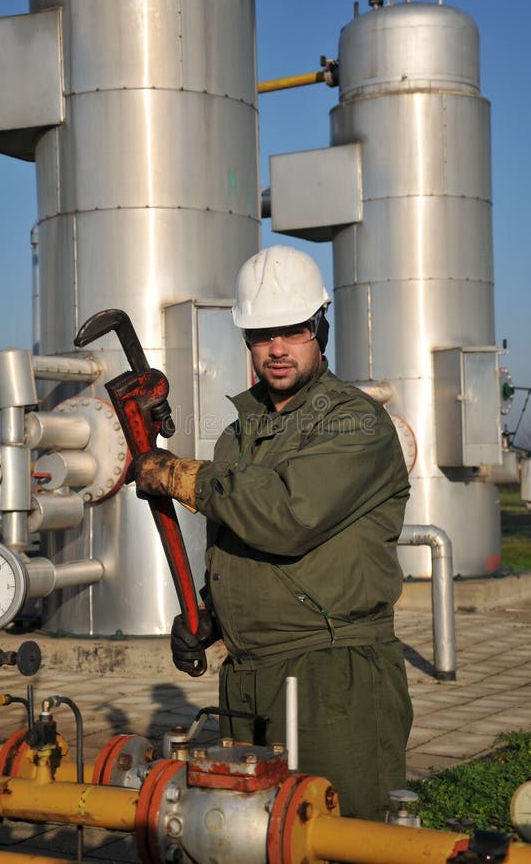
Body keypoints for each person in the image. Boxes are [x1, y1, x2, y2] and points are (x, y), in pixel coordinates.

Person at [133, 245, 412, 820]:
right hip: (247, 676)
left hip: (331, 674)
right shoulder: (239, 435)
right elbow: (239, 545)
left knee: (337, 836)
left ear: (321, 330)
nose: (276, 349)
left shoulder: (355, 422)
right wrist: (210, 616)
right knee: (249, 838)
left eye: (293, 331)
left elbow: (288, 518)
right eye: (262, 334)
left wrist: (180, 474)